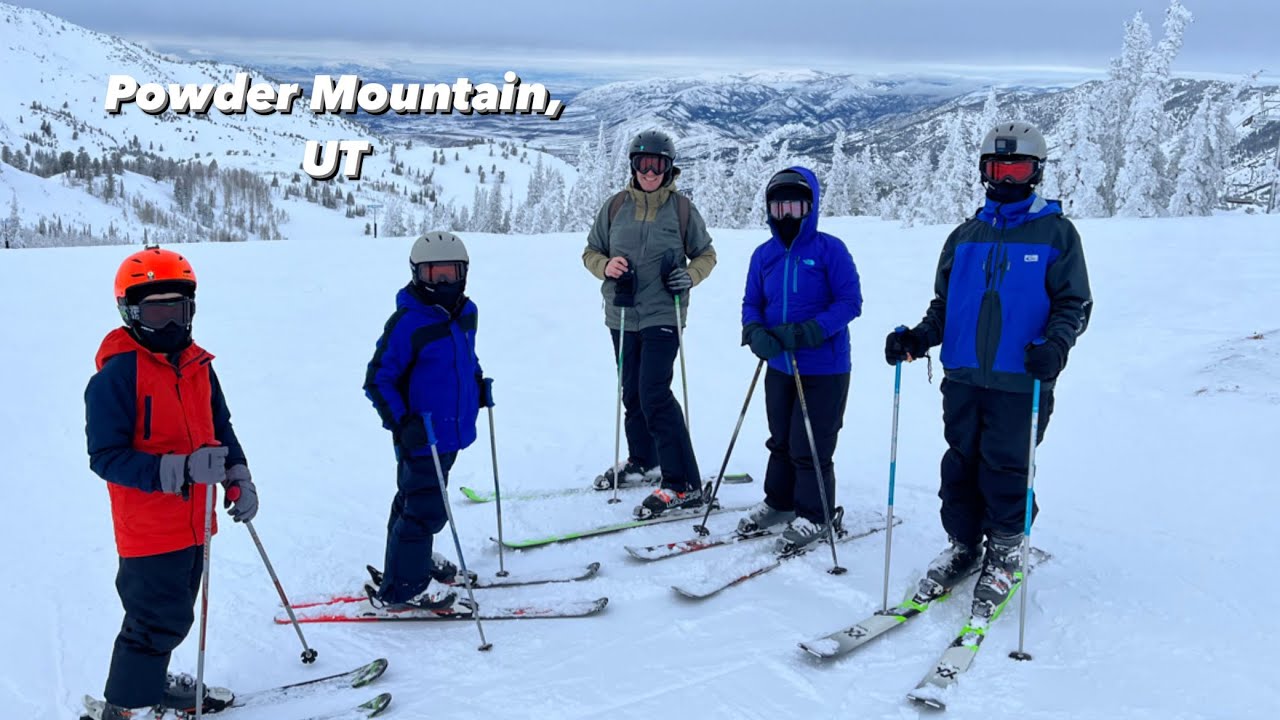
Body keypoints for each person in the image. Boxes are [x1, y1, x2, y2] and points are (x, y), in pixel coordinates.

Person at [884, 121, 1092, 615]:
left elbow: (1074, 304)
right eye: (996, 166)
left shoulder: (1056, 234)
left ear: (1035, 173)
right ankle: (963, 544)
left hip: (1021, 382)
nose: (1005, 177)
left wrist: (1056, 346)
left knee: (1006, 467)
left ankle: (1005, 548)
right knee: (960, 465)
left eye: (1017, 166)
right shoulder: (965, 236)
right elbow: (944, 305)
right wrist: (917, 338)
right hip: (962, 379)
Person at [85, 246, 258, 720]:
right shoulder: (117, 374)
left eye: (176, 310)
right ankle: (126, 706)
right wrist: (179, 470)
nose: (169, 325)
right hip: (148, 529)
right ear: (130, 312)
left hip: (194, 521)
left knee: (175, 615)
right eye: (154, 311)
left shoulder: (199, 363)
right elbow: (105, 456)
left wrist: (236, 475)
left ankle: (149, 685)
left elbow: (219, 426)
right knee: (152, 622)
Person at [582, 129, 718, 519]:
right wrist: (604, 266)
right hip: (622, 314)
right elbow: (591, 251)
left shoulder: (682, 210)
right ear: (633, 166)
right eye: (643, 164)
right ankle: (644, 459)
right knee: (632, 394)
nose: (650, 172)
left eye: (657, 164)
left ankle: (684, 483)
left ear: (669, 168)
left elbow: (706, 254)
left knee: (654, 392)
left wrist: (690, 276)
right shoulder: (614, 207)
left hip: (663, 314)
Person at [737, 167, 863, 552]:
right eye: (779, 207)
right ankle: (780, 502)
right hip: (778, 364)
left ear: (810, 207)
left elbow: (849, 302)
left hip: (824, 366)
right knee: (781, 439)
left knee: (811, 443)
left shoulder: (830, 249)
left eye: (794, 206)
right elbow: (752, 303)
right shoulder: (765, 254)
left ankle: (816, 513)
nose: (786, 215)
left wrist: (810, 330)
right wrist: (754, 333)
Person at [364, 231, 490, 610]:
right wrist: (403, 424)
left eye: (451, 273)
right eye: (435, 274)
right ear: (418, 275)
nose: (444, 283)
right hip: (422, 435)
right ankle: (406, 588)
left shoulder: (467, 313)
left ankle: (408, 562)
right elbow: (378, 379)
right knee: (425, 509)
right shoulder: (407, 323)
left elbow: (464, 358)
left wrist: (477, 383)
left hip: (451, 431)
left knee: (415, 501)